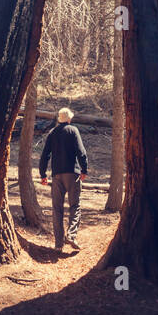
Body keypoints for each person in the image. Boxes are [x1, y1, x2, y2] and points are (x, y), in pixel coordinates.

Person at [39, 107, 88, 253]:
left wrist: (43, 174)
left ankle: (58, 244)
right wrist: (84, 169)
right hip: (72, 174)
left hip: (56, 176)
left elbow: (45, 155)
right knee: (75, 206)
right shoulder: (73, 130)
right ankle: (71, 236)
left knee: (57, 209)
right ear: (69, 119)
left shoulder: (52, 133)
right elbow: (81, 151)